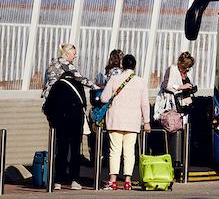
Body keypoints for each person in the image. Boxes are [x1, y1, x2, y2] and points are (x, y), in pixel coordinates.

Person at [42, 44, 94, 191]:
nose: (75, 56)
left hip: (55, 111)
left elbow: (46, 87)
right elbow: (82, 80)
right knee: (74, 149)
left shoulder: (51, 66)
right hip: (71, 113)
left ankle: (57, 180)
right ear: (67, 54)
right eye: (74, 54)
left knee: (60, 148)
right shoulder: (68, 68)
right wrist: (96, 87)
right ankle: (74, 180)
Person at [100, 54, 150, 191]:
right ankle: (128, 181)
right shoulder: (141, 81)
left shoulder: (115, 79)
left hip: (115, 120)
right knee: (129, 151)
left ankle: (113, 181)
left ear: (122, 65)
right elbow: (145, 104)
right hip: (132, 122)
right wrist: (147, 122)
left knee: (114, 151)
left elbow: (104, 98)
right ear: (135, 66)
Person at [153, 52, 195, 166]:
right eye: (184, 68)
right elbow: (166, 85)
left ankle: (180, 160)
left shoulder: (187, 75)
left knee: (182, 131)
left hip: (182, 108)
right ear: (180, 64)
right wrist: (182, 87)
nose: (186, 71)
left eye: (188, 69)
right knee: (173, 130)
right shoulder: (172, 69)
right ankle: (172, 160)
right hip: (170, 107)